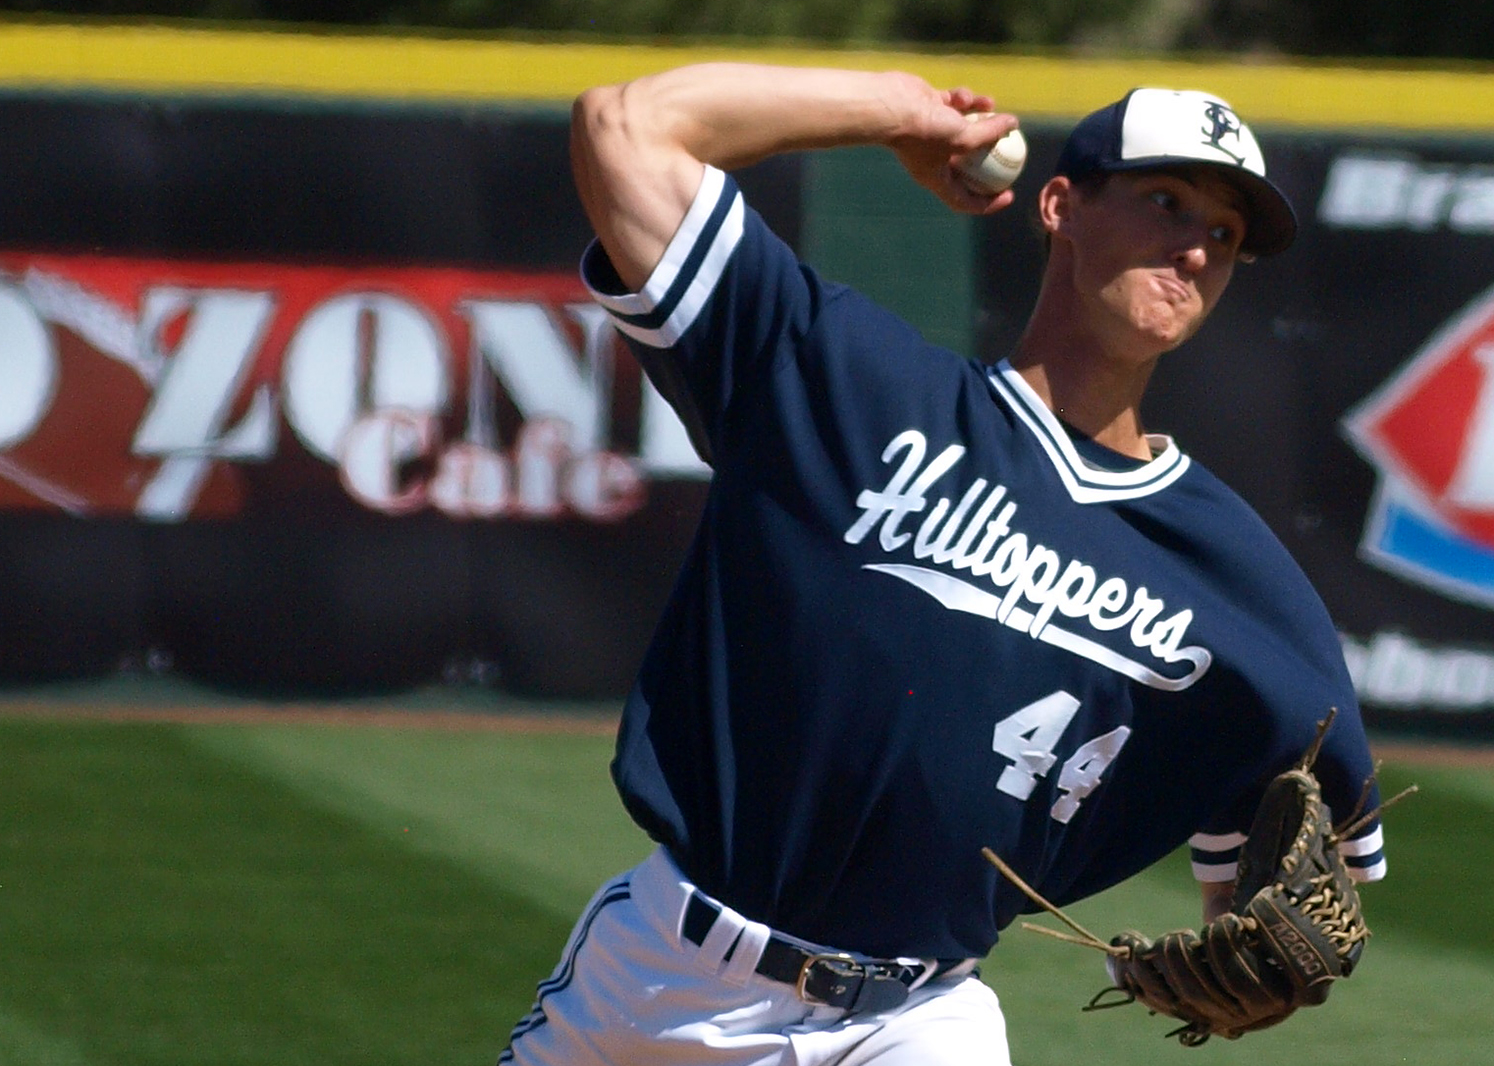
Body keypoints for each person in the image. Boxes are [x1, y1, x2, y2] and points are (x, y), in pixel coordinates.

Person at [500, 63, 1388, 1066]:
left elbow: (1289, 895)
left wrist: (1261, 977)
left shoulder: (1241, 582)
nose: (1194, 246)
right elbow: (624, 126)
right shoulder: (844, 382)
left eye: (1225, 235)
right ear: (1060, 205)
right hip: (662, 978)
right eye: (1166, 202)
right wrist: (894, 112)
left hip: (914, 1025)